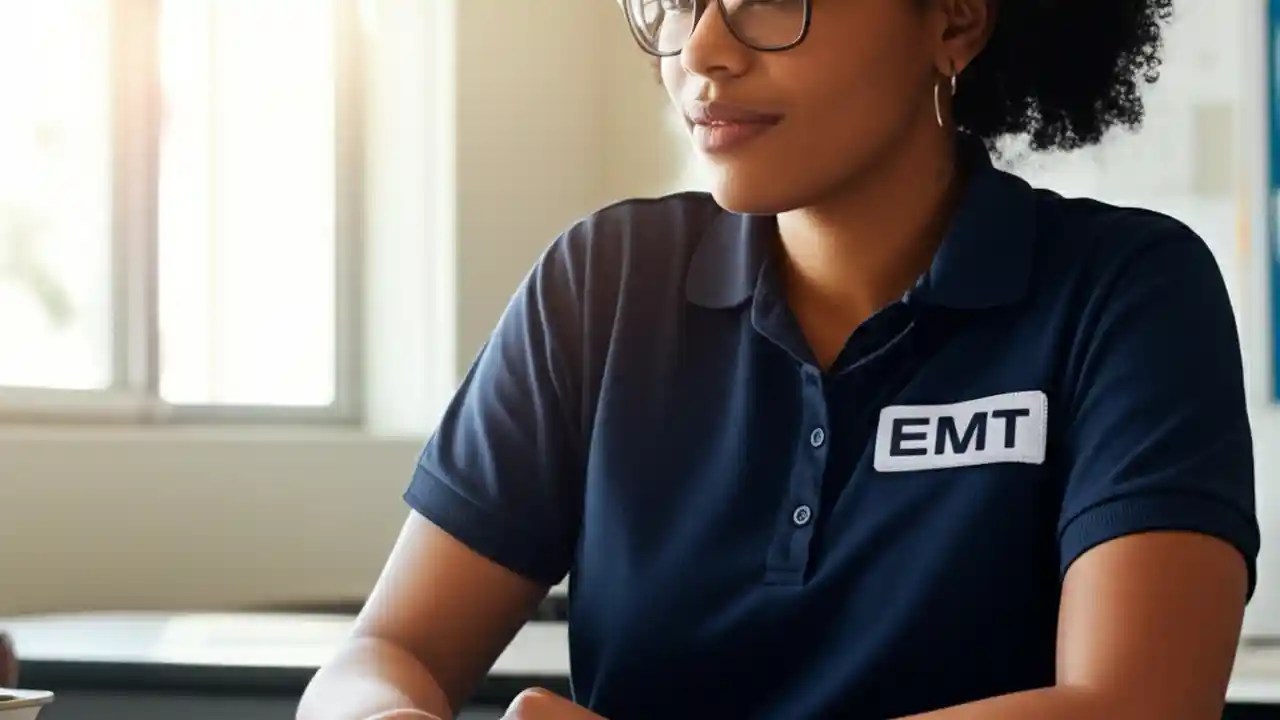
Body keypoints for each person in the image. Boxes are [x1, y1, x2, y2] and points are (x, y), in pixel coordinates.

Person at [299, 0, 1260, 718]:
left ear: (956, 19)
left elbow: (1139, 705)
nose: (700, 51)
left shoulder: (1126, 291)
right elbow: (386, 652)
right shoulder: (605, 283)